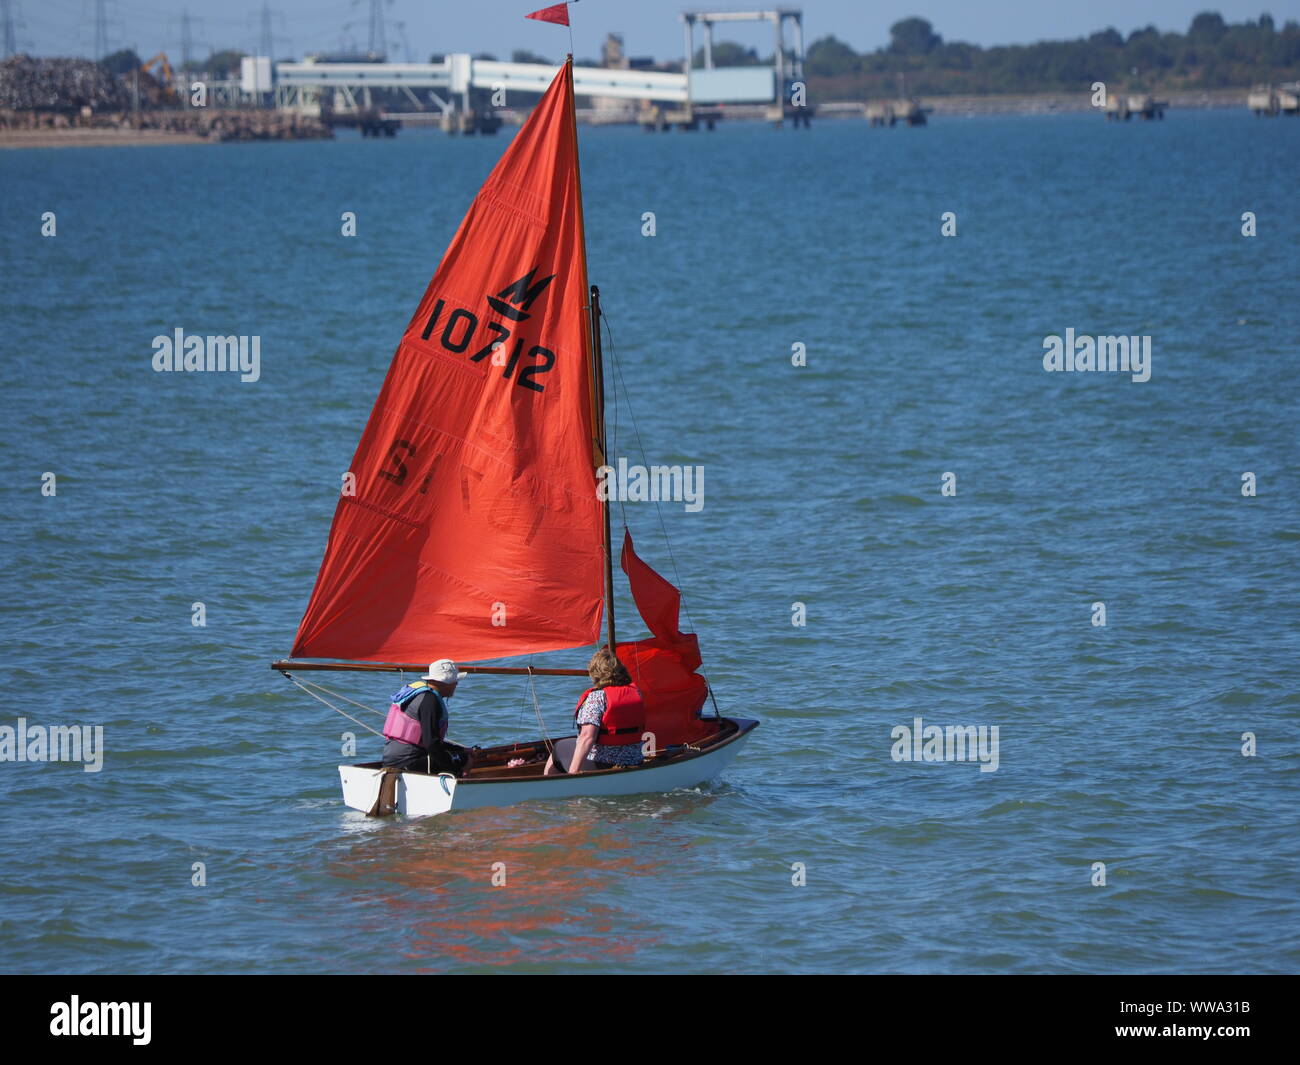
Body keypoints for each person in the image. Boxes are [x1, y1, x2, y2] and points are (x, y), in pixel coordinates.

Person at [545, 647, 645, 775]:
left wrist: (573, 772)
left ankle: (555, 786)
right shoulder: (636, 693)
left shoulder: (596, 698)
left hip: (603, 764)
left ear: (595, 673)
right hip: (634, 760)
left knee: (559, 747)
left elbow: (587, 737)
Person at [381, 659, 473, 776]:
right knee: (466, 760)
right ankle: (460, 787)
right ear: (442, 682)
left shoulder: (421, 694)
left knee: (459, 755)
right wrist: (453, 768)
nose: (456, 684)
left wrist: (459, 749)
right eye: (454, 681)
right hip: (409, 760)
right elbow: (431, 744)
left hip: (391, 759)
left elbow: (426, 740)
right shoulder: (430, 701)